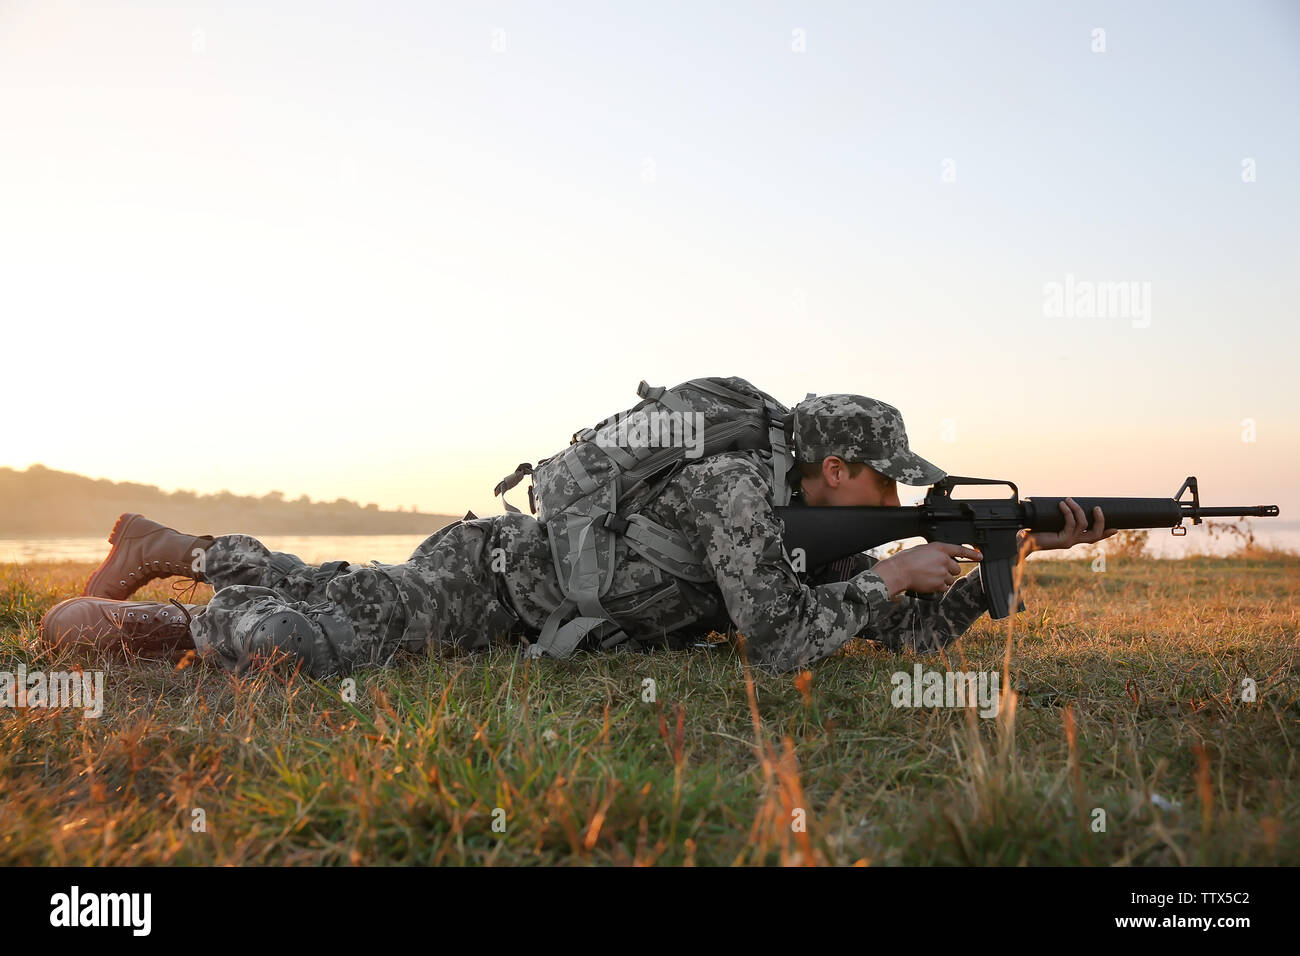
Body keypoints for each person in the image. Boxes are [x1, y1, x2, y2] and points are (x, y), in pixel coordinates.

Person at [38, 391, 1116, 675]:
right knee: (319, 637)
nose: (900, 508)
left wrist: (998, 566)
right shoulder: (740, 488)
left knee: (326, 581)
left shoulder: (824, 539)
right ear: (833, 469)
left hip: (525, 614)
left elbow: (897, 641)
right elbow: (784, 642)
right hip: (490, 581)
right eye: (891, 488)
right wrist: (892, 578)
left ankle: (164, 543)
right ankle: (172, 628)